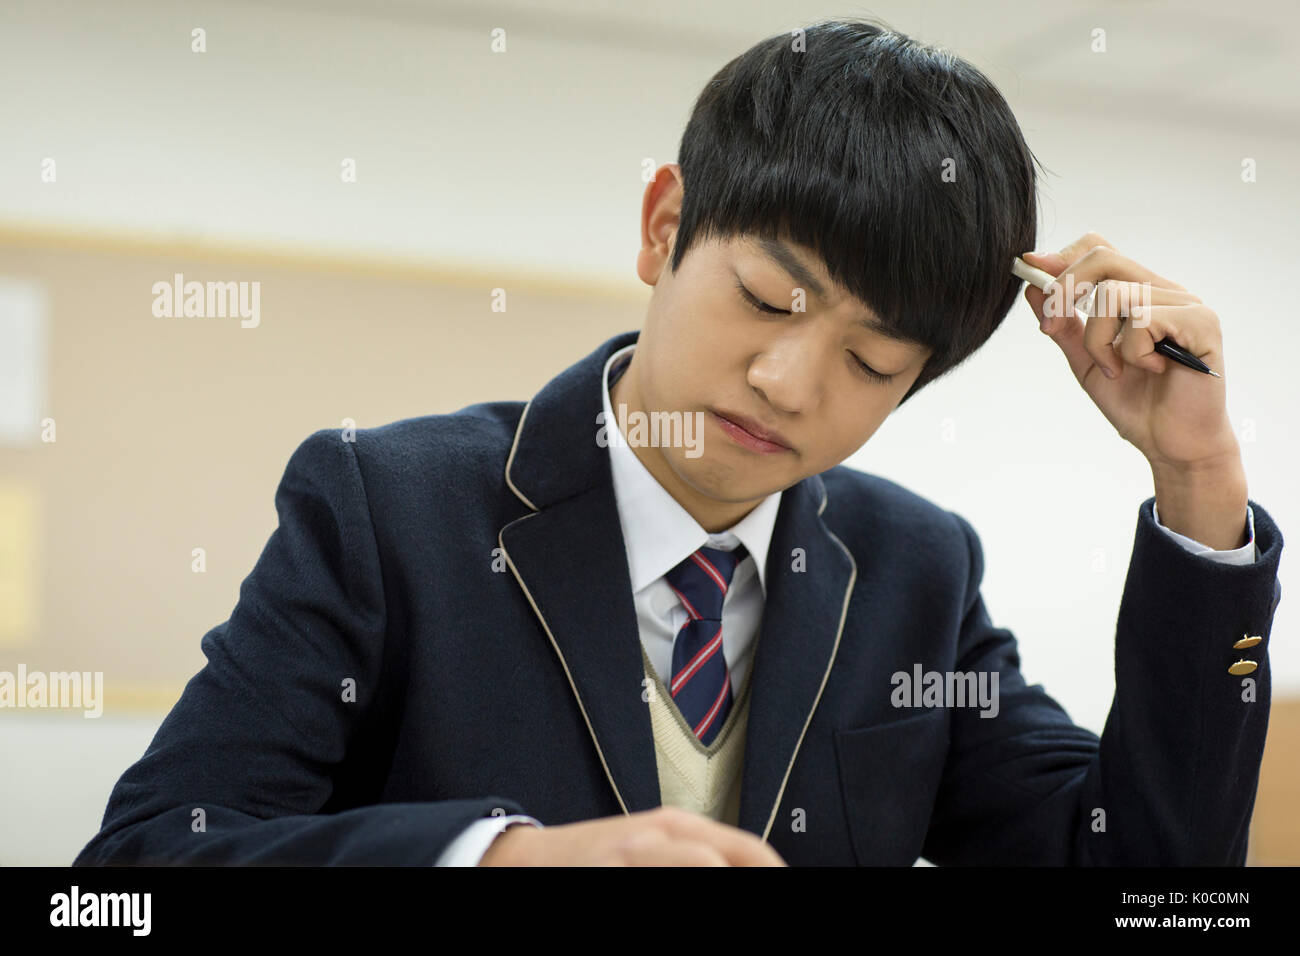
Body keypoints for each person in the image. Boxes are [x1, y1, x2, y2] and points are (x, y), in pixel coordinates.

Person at [73, 18, 1282, 867]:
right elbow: (132, 866)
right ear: (662, 228)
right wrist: (498, 861)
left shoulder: (914, 573)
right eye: (765, 296)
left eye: (869, 364)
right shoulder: (389, 510)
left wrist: (1197, 480)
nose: (786, 381)